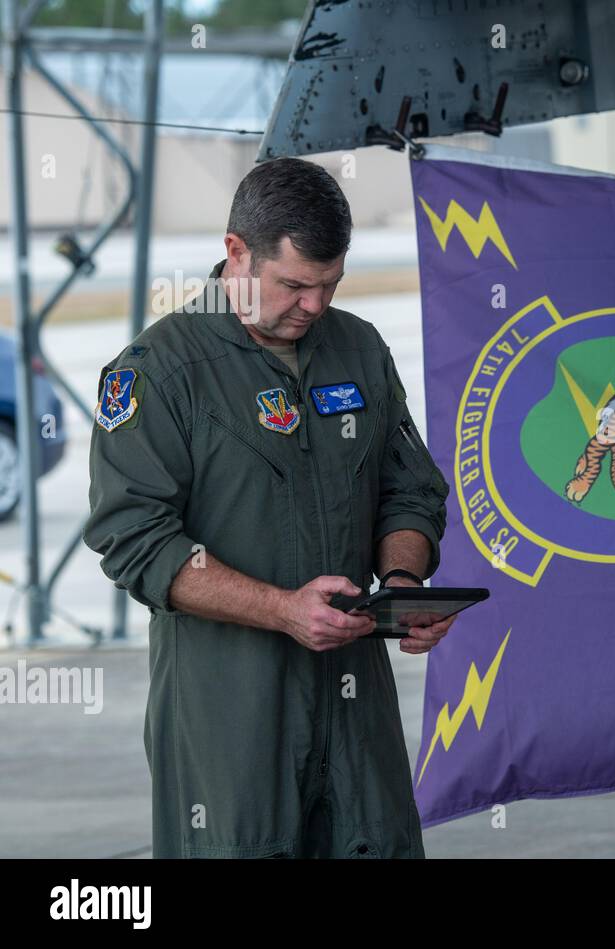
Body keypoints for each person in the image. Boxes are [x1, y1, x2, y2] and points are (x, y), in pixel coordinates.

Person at [83, 157, 453, 858]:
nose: (314, 306)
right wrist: (282, 609)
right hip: (230, 713)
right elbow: (133, 538)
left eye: (330, 285)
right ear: (236, 253)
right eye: (294, 285)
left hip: (353, 705)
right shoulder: (157, 373)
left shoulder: (358, 349)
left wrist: (402, 585)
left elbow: (408, 488)